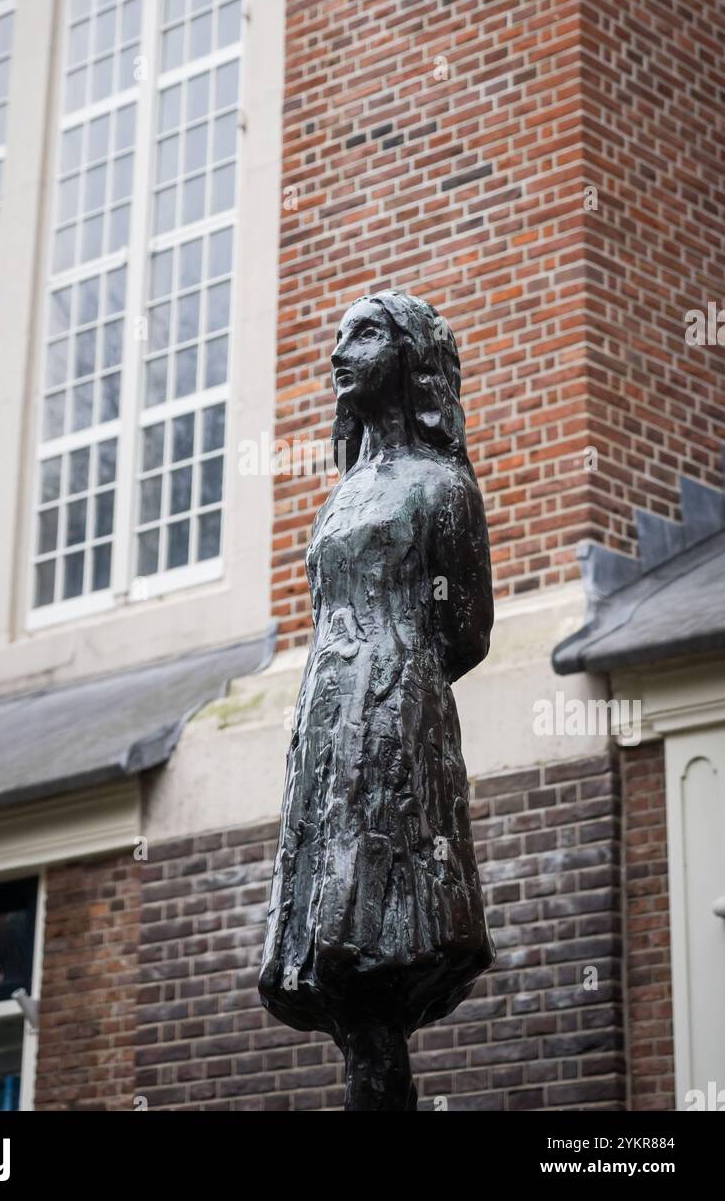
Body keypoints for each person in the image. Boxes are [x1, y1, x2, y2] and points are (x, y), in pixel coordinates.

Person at [259, 292, 495, 1110]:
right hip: (325, 720)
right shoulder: (345, 490)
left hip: (396, 715)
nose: (338, 352)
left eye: (361, 334)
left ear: (409, 355)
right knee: (334, 940)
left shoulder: (440, 486)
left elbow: (467, 630)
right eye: (336, 336)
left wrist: (394, 680)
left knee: (379, 938)